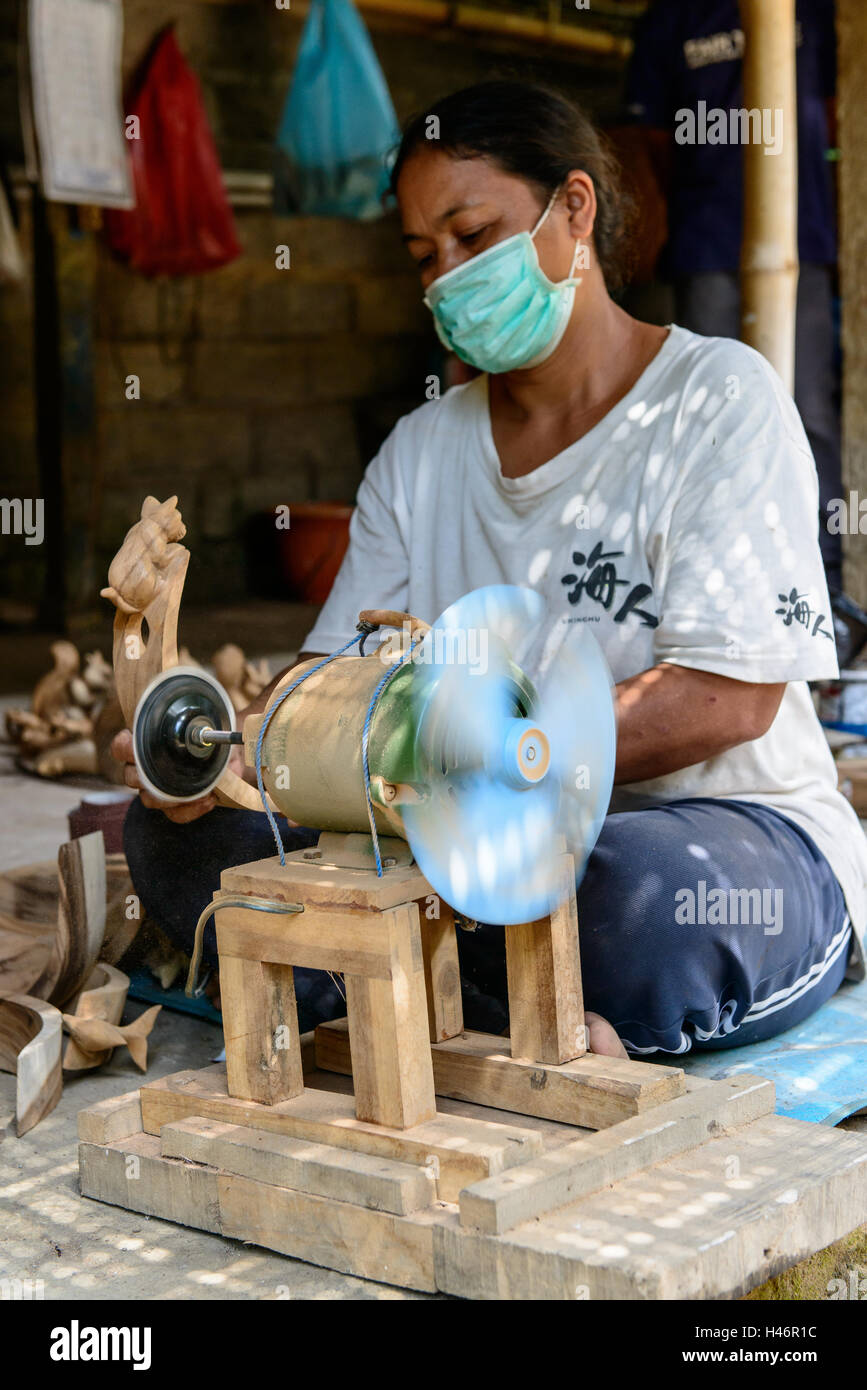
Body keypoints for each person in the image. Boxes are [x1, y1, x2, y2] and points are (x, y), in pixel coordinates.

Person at [115, 79, 867, 1060]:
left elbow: (730, 701)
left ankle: (393, 974)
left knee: (633, 898)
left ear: (575, 209)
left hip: (706, 828)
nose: (447, 279)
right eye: (425, 257)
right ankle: (474, 984)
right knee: (175, 840)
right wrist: (229, 756)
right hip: (451, 841)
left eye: (473, 236)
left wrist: (465, 762)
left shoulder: (717, 399)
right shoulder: (421, 453)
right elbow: (322, 685)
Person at [623, 0, 843, 591]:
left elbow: (834, 110)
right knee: (713, 414)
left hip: (806, 235)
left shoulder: (815, 9)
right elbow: (651, 137)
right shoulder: (671, 18)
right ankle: (726, 577)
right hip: (705, 240)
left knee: (809, 410)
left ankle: (822, 579)